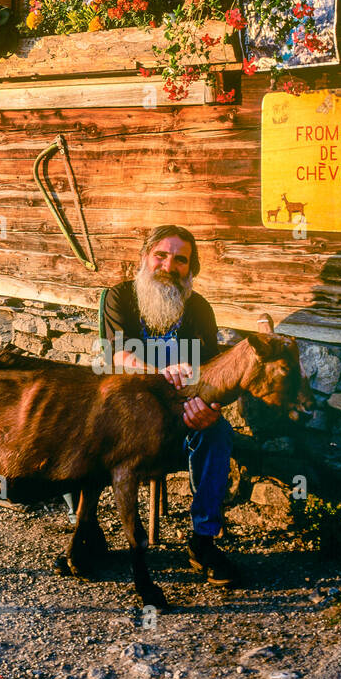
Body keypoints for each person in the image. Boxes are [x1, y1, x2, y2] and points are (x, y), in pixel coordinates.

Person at [101, 224, 237, 585]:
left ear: (190, 269)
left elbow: (211, 372)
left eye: (180, 259)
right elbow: (117, 357)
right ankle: (85, 529)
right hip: (125, 412)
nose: (169, 264)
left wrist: (208, 406)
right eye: (161, 255)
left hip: (180, 413)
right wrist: (162, 373)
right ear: (145, 257)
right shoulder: (120, 297)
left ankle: (203, 541)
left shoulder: (199, 309)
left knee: (217, 432)